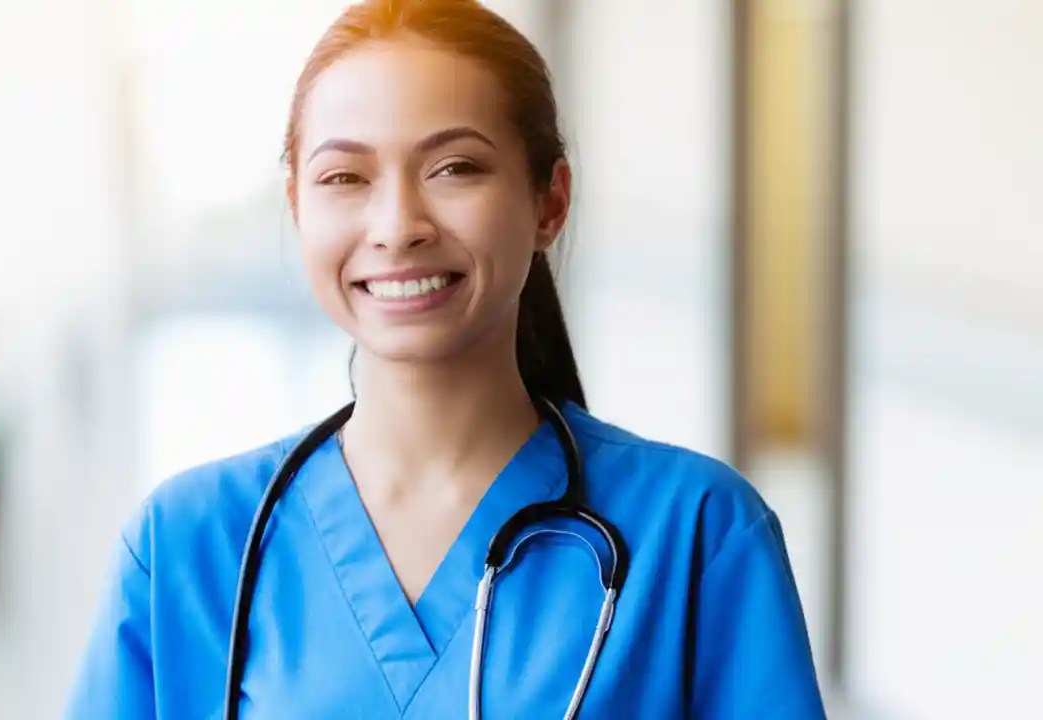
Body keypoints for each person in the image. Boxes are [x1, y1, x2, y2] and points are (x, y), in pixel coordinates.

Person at [64, 1, 826, 717]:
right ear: (297, 206)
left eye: (455, 168)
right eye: (345, 178)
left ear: (549, 203)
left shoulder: (696, 534)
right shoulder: (187, 550)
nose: (398, 226)